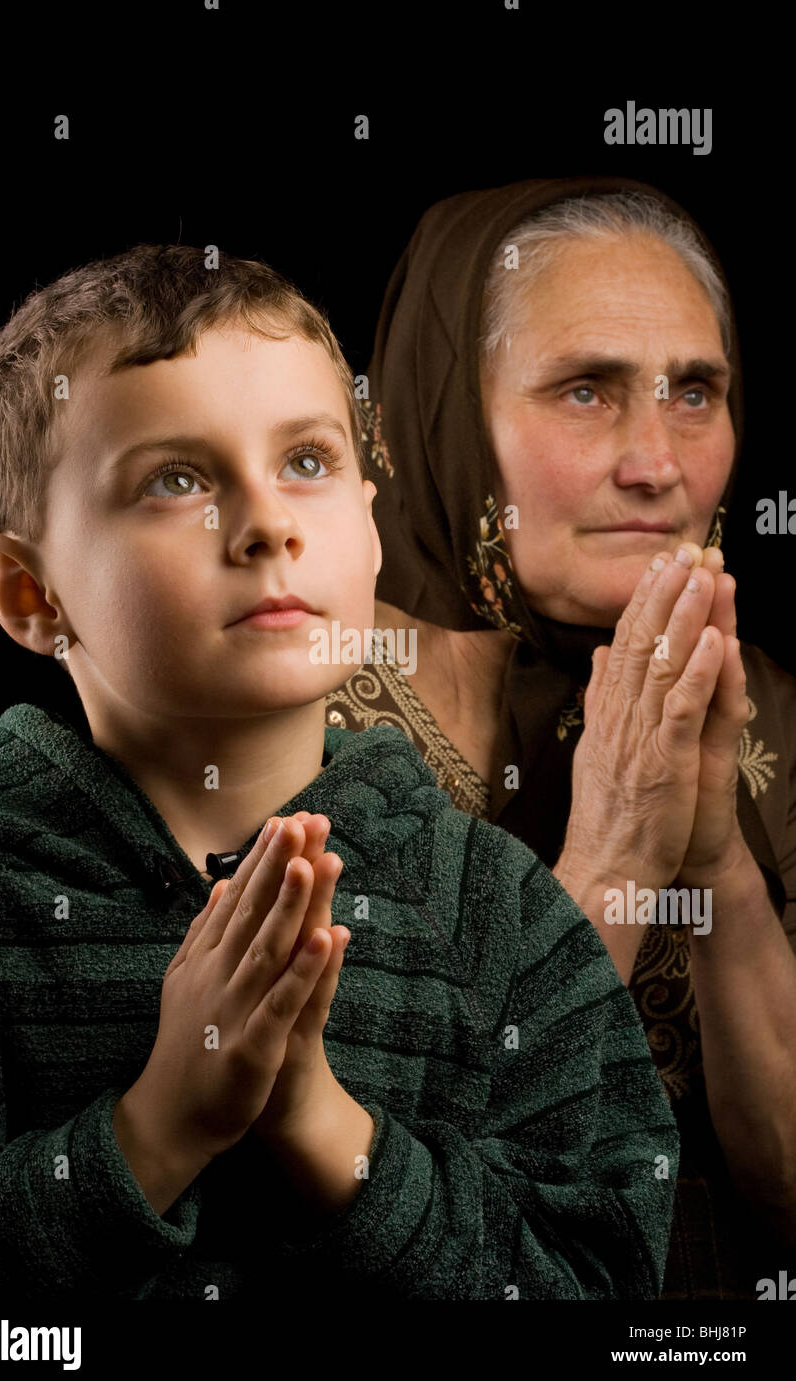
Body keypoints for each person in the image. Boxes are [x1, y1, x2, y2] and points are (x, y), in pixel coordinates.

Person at [0, 244, 678, 1300]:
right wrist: (155, 1129)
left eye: (309, 463)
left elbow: (601, 1287)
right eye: (175, 479)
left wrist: (322, 1129)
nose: (268, 523)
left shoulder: (499, 913)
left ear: (370, 532)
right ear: (26, 592)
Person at [325, 177, 796, 1296]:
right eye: (584, 391)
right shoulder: (301, 712)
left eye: (694, 391)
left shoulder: (764, 708)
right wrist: (619, 852)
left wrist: (718, 862)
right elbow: (405, 1216)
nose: (655, 463)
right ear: (445, 413)